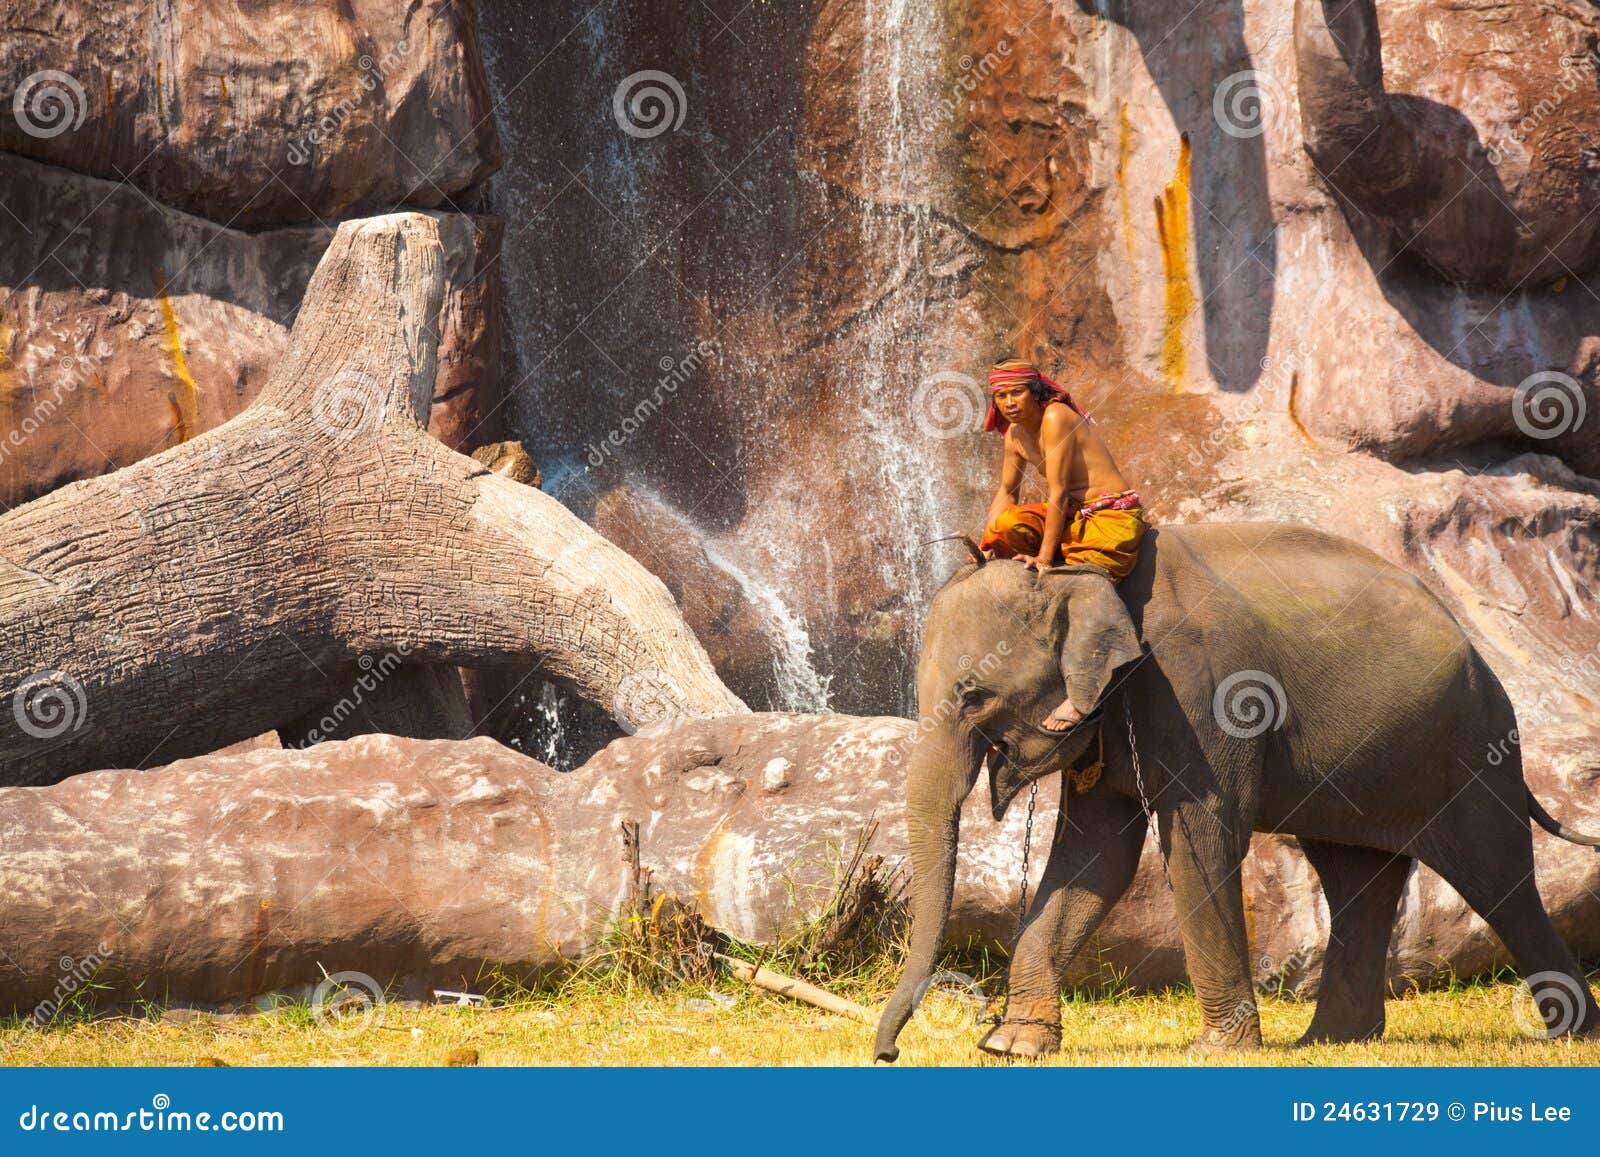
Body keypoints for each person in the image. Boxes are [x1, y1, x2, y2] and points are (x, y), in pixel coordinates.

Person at [979, 357, 1146, 731]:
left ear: (1035, 392)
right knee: (1009, 524)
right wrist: (986, 545)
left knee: (1081, 587)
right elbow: (1007, 491)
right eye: (1001, 395)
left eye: (1017, 393)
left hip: (1108, 516)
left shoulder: (1055, 416)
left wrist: (1044, 557)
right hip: (1071, 517)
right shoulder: (1014, 435)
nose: (1009, 403)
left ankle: (1086, 695)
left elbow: (1057, 491)